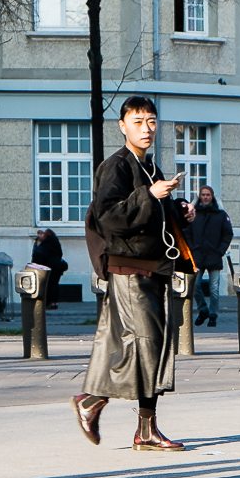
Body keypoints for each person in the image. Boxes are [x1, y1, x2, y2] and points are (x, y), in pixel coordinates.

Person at [73, 95, 196, 453]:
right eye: (138, 122)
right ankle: (93, 401)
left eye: (152, 122)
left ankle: (140, 426)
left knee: (142, 346)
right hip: (130, 270)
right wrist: (150, 195)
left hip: (152, 268)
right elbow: (108, 217)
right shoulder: (116, 166)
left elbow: (152, 212)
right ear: (122, 126)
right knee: (144, 345)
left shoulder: (149, 166)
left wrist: (178, 210)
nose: (146, 129)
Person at [189, 185, 233, 327]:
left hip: (214, 255)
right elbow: (186, 231)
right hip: (197, 255)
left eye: (208, 195)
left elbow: (228, 234)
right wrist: (192, 248)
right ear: (199, 196)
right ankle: (203, 309)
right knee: (194, 285)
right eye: (203, 195)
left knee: (214, 289)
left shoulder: (220, 214)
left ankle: (213, 314)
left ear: (212, 196)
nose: (205, 197)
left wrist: (220, 250)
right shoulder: (193, 213)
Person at [31, 228, 69, 309]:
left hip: (47, 267)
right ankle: (54, 303)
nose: (40, 235)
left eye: (41, 234)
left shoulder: (44, 243)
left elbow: (39, 256)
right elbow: (60, 253)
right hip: (57, 267)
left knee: (48, 285)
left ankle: (48, 303)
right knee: (55, 285)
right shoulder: (55, 242)